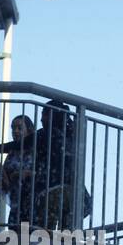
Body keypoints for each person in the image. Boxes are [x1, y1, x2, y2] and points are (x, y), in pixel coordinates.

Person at [32, 97, 91, 229]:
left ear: (52, 115)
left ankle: (51, 240)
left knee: (49, 216)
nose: (41, 119)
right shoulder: (71, 132)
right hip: (77, 196)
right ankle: (64, 241)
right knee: (66, 223)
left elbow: (20, 144)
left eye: (44, 114)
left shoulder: (48, 134)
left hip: (58, 192)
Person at [0, 114, 36, 229]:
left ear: (29, 131)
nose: (15, 131)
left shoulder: (36, 151)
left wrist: (24, 174)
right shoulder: (12, 154)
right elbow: (7, 185)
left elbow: (41, 174)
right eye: (13, 128)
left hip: (32, 204)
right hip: (16, 206)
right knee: (15, 238)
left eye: (20, 128)